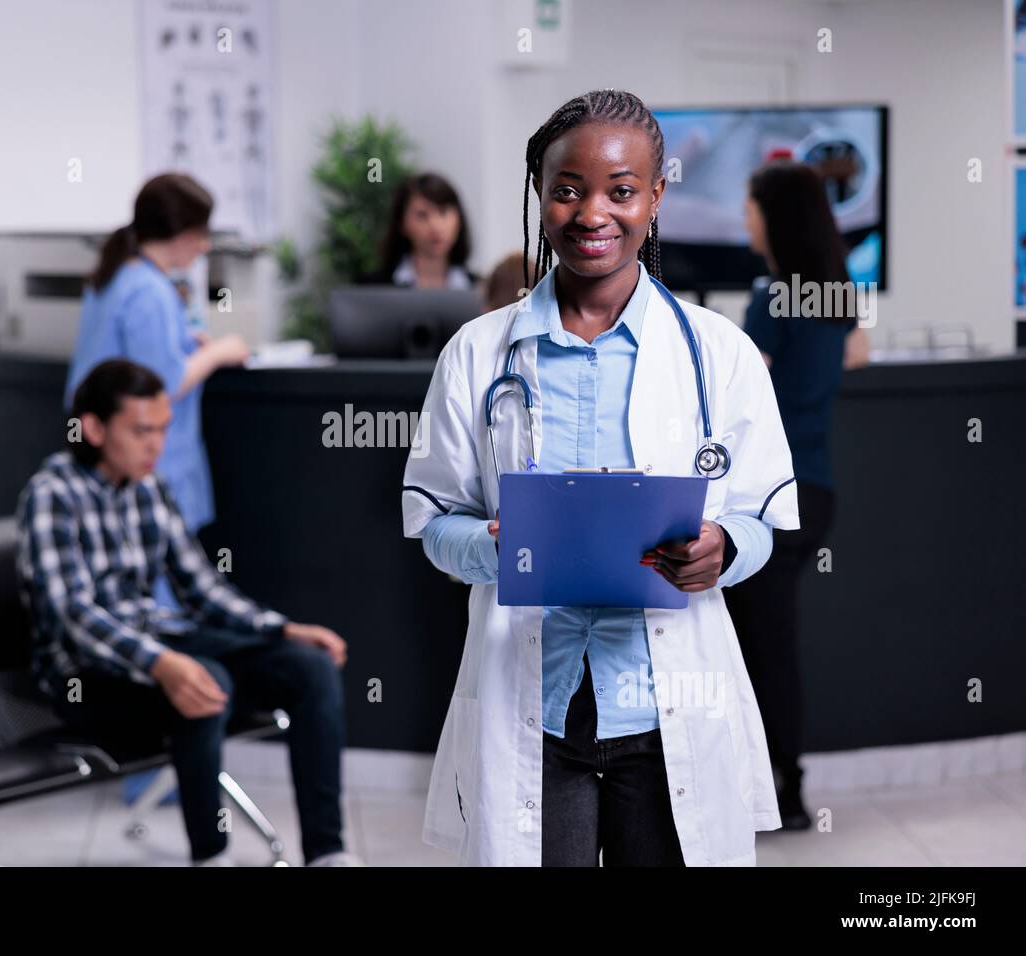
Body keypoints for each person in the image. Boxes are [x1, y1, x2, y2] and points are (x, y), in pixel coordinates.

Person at [401, 90, 800, 867]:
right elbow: (435, 521)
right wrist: (496, 545)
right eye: (567, 189)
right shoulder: (477, 355)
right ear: (540, 196)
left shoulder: (719, 354)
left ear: (655, 197)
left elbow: (760, 520)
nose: (593, 214)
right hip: (536, 710)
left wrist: (725, 548)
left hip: (666, 705)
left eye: (621, 191)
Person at [17, 358, 363, 867]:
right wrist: (161, 662)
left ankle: (327, 853)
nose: (156, 444)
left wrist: (281, 627)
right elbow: (73, 614)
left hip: (159, 644)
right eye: (141, 431)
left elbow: (201, 588)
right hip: (82, 674)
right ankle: (211, 854)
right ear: (92, 427)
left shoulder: (150, 490)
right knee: (207, 679)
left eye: (161, 429)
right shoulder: (51, 496)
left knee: (309, 668)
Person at [722, 160, 864, 830]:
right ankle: (783, 789)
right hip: (818, 493)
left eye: (750, 206)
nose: (744, 218)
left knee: (762, 648)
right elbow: (853, 355)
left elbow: (743, 392)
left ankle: (780, 795)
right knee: (773, 643)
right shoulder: (837, 295)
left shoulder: (770, 296)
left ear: (771, 216)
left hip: (772, 498)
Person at [65, 172, 249, 536]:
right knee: (159, 575)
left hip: (109, 454)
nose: (204, 247)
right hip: (150, 464)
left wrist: (183, 341)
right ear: (181, 233)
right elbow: (164, 380)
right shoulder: (149, 291)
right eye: (201, 234)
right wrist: (220, 352)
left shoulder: (116, 275)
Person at [360, 172, 480, 289]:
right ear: (402, 224)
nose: (435, 226)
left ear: (459, 219)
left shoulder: (480, 289)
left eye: (443, 212)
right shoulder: (373, 288)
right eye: (422, 215)